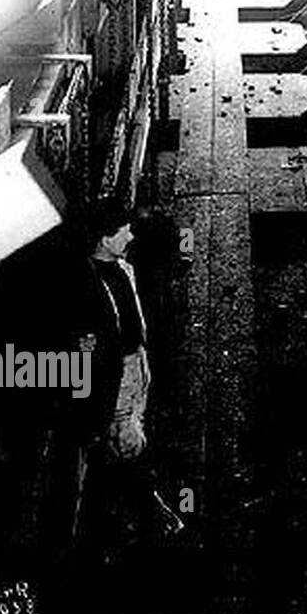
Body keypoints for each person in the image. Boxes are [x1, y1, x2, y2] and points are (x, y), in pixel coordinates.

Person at [81, 200, 183, 544]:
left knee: (131, 429)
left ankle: (126, 490)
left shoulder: (123, 268)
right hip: (117, 376)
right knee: (128, 441)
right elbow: (86, 347)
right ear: (105, 239)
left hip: (135, 362)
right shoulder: (89, 286)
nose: (129, 233)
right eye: (123, 229)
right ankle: (147, 507)